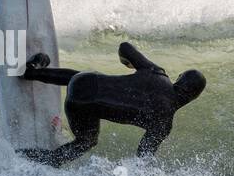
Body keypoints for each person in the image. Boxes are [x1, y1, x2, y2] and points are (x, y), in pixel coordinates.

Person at [18, 41, 205, 165]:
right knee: (86, 141)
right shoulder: (163, 124)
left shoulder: (158, 73)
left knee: (84, 79)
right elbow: (143, 157)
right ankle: (31, 158)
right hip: (81, 107)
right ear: (193, 97)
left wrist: (129, 63)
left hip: (82, 82)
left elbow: (125, 47)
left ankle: (32, 71)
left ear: (179, 79)